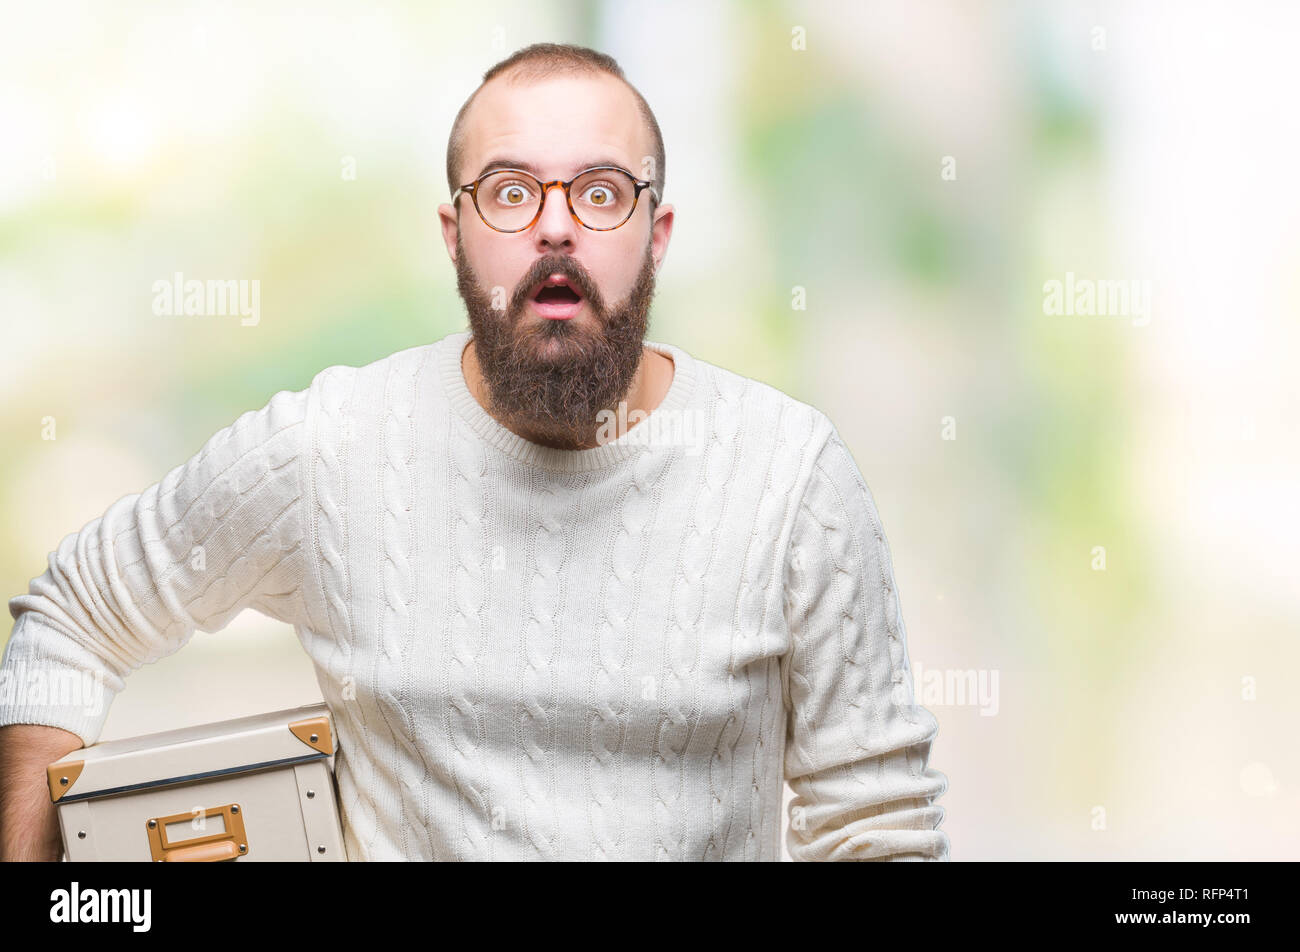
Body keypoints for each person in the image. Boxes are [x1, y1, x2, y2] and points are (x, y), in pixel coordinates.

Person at [0, 42, 949, 861]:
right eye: (509, 191)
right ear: (455, 239)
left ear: (657, 238)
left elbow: (877, 829)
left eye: (601, 191)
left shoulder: (788, 477)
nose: (555, 224)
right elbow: (74, 614)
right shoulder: (330, 451)